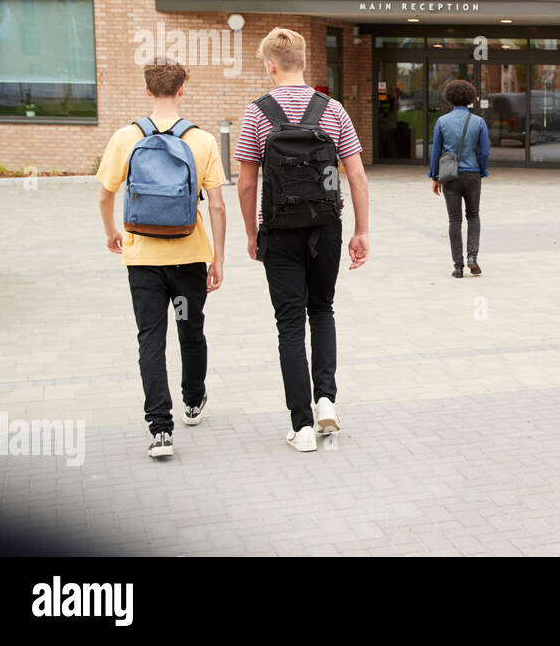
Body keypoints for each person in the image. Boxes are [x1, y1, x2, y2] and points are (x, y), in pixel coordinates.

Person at [235, 27, 370, 453]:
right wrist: (361, 231)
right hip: (326, 227)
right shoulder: (332, 110)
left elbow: (244, 182)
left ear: (270, 65)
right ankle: (326, 400)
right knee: (322, 309)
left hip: (278, 229)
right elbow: (357, 175)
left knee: (290, 323)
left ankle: (302, 426)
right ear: (305, 63)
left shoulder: (257, 113)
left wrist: (251, 231)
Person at [96, 58, 226, 459]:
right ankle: (193, 400)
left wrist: (112, 233)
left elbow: (105, 195)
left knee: (150, 339)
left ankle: (160, 430)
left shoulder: (125, 138)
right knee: (190, 329)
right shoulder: (201, 140)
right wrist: (218, 259)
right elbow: (218, 206)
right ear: (183, 89)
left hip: (142, 258)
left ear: (148, 90)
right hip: (189, 258)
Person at [429, 79, 490, 278]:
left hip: (450, 176)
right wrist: (481, 170)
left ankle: (458, 266)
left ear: (450, 98)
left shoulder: (442, 121)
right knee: (473, 216)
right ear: (470, 98)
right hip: (472, 174)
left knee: (454, 220)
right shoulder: (479, 122)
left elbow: (436, 150)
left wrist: (435, 176)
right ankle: (472, 256)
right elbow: (485, 152)